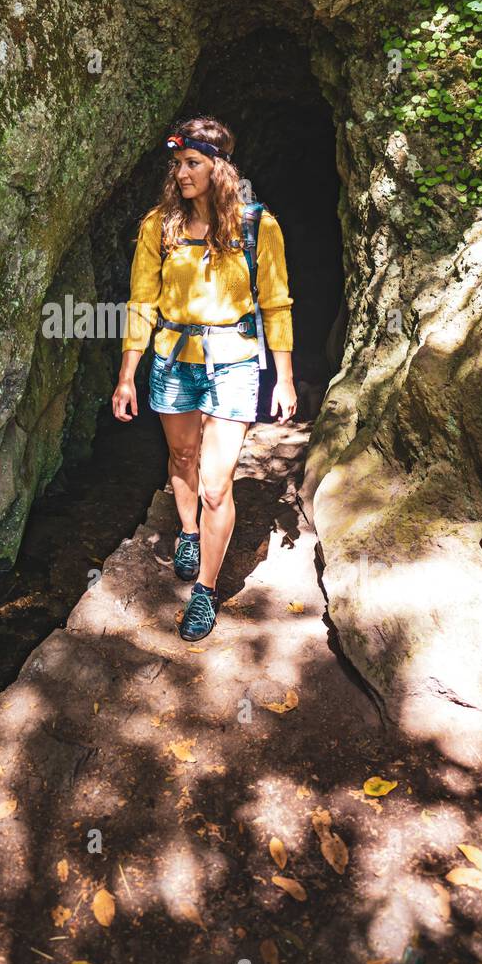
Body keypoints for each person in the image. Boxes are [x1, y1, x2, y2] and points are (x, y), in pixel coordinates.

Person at [112, 116, 297, 642]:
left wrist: (284, 379)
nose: (182, 173)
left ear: (219, 167)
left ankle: (206, 591)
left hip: (235, 363)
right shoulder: (158, 226)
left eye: (192, 163)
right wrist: (128, 375)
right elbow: (141, 304)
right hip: (173, 360)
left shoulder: (258, 226)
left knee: (216, 485)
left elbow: (277, 305)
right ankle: (188, 532)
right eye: (177, 164)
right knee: (183, 458)